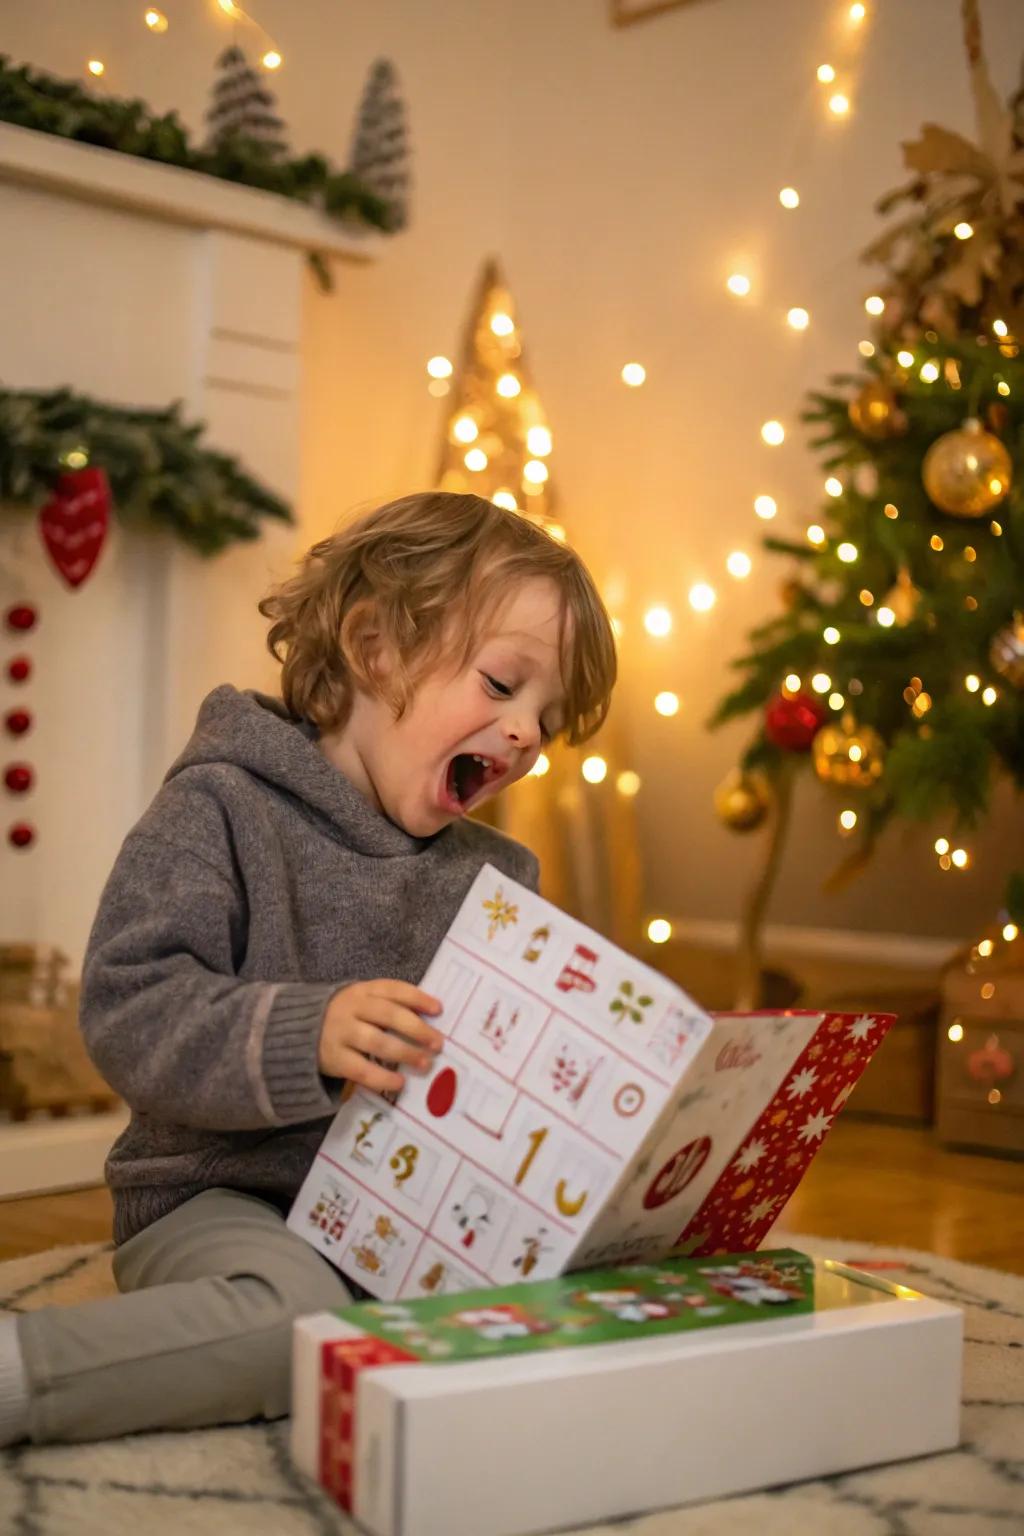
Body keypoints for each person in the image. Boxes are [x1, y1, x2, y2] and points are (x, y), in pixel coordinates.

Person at [0, 491, 617, 1445]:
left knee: (601, 1296)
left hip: (410, 1223)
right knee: (296, 1322)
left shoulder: (501, 878)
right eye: (502, 685)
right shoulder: (222, 807)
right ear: (374, 650)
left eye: (550, 714)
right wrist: (308, 1033)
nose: (529, 732)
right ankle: (22, 1375)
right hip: (220, 1200)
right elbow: (130, 1010)